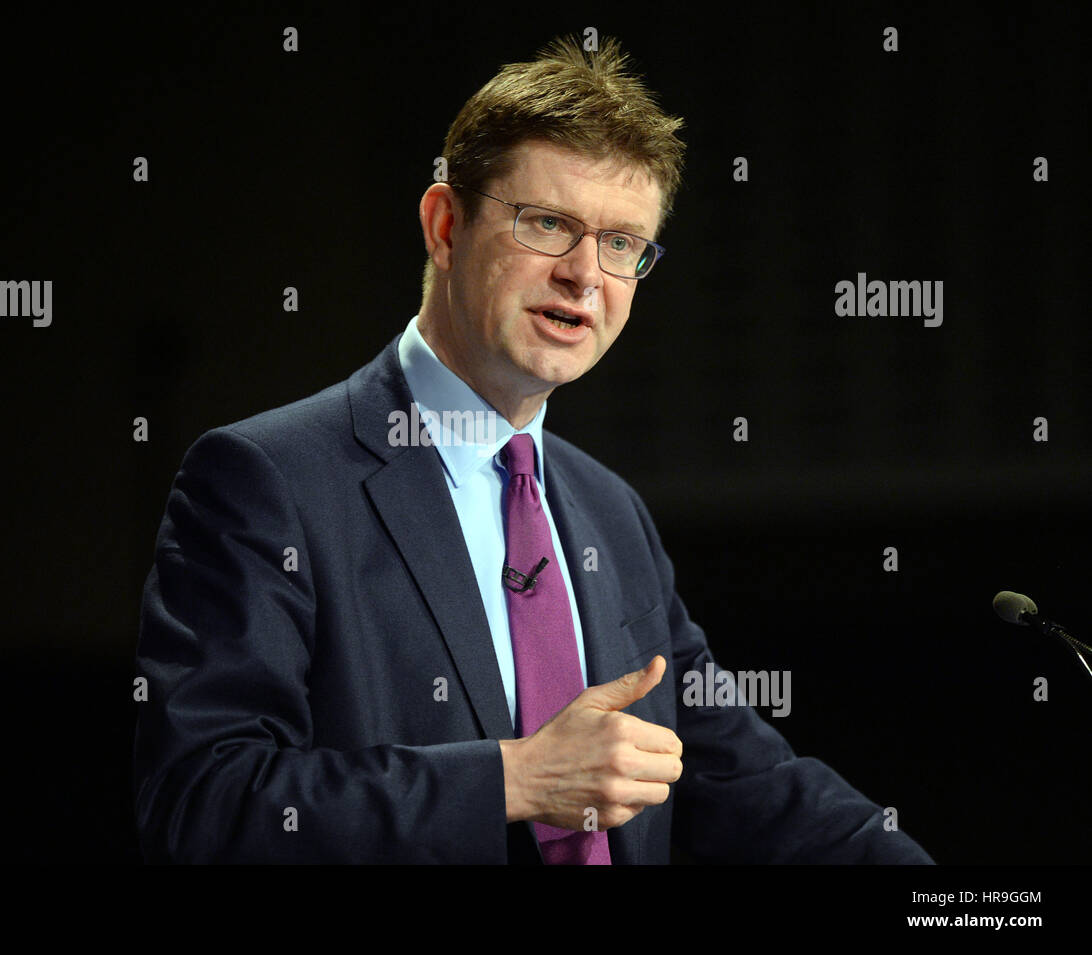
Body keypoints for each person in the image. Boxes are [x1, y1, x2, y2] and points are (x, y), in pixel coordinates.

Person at [132, 35, 933, 865]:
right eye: (548, 224)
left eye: (622, 243)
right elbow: (204, 804)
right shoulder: (269, 481)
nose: (585, 274)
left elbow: (750, 783)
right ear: (446, 226)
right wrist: (513, 780)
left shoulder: (608, 511)